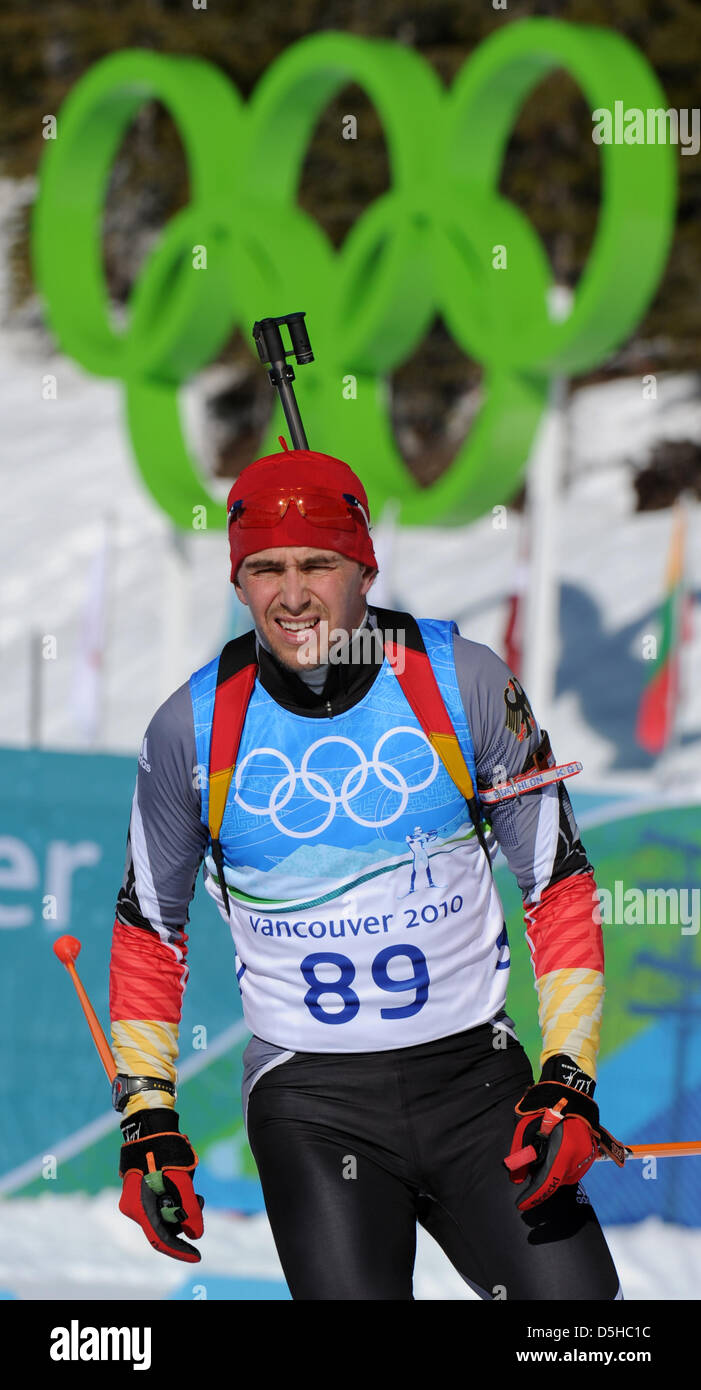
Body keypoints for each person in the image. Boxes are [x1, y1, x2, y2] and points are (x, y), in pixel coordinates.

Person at [111, 448, 623, 1301]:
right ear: (238, 585)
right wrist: (147, 1119)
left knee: (582, 1327)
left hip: (475, 1080)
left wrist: (567, 1079)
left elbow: (556, 882)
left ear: (365, 569)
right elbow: (148, 932)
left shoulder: (462, 681)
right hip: (311, 1098)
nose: (294, 593)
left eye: (319, 563)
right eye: (265, 568)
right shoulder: (191, 729)